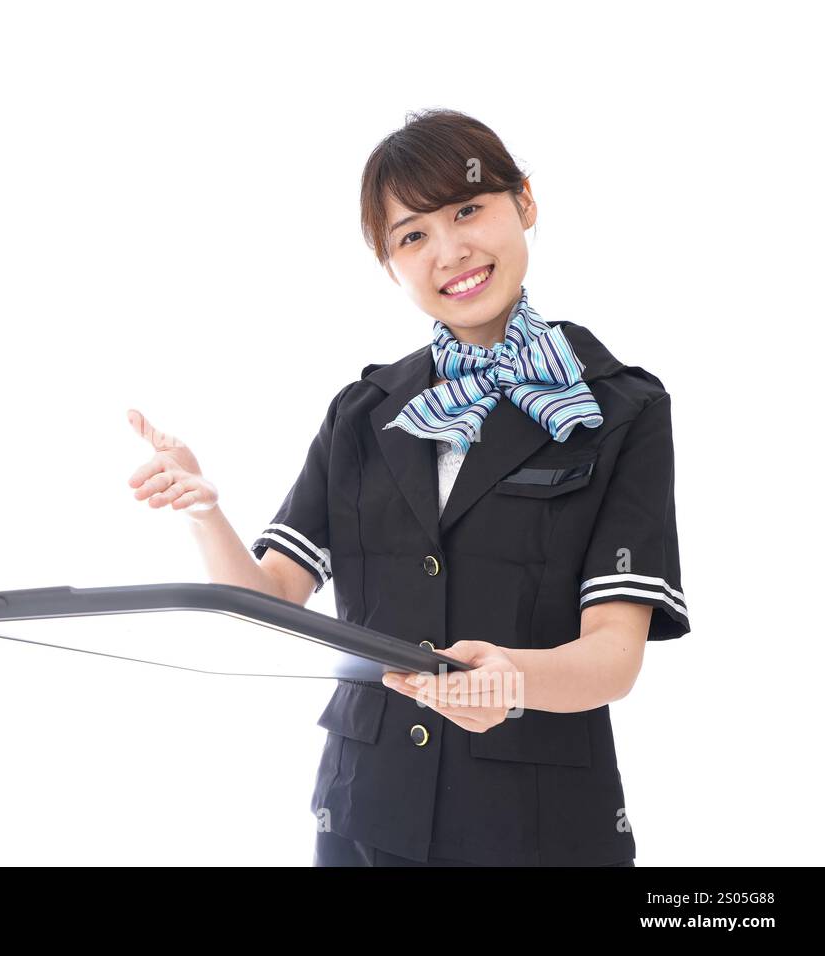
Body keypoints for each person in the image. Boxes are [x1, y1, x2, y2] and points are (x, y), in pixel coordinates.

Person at [125, 108, 688, 867]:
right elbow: (272, 599)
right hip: (364, 814)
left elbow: (614, 655)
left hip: (536, 827)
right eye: (412, 235)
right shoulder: (364, 413)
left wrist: (510, 679)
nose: (450, 251)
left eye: (468, 209)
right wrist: (205, 511)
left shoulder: (621, 408)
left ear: (524, 202)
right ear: (388, 263)